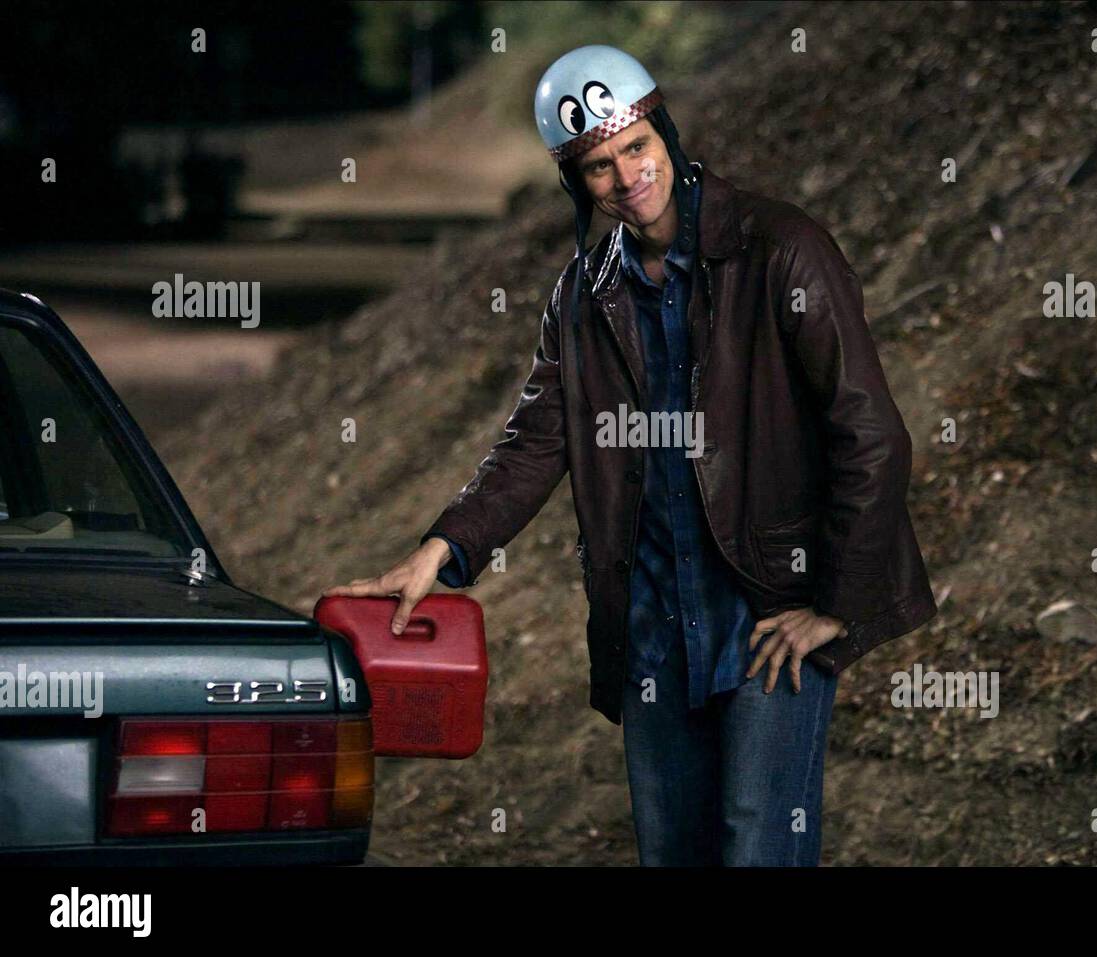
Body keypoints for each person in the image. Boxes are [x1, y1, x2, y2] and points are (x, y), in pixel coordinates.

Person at [324, 44, 937, 866]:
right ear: (577, 182)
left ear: (666, 134)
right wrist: (443, 550)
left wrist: (835, 601)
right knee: (672, 851)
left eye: (637, 147)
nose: (626, 176)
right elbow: (536, 439)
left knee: (757, 845)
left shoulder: (782, 249)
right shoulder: (584, 296)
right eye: (598, 166)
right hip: (651, 625)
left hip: (767, 611)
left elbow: (868, 431)